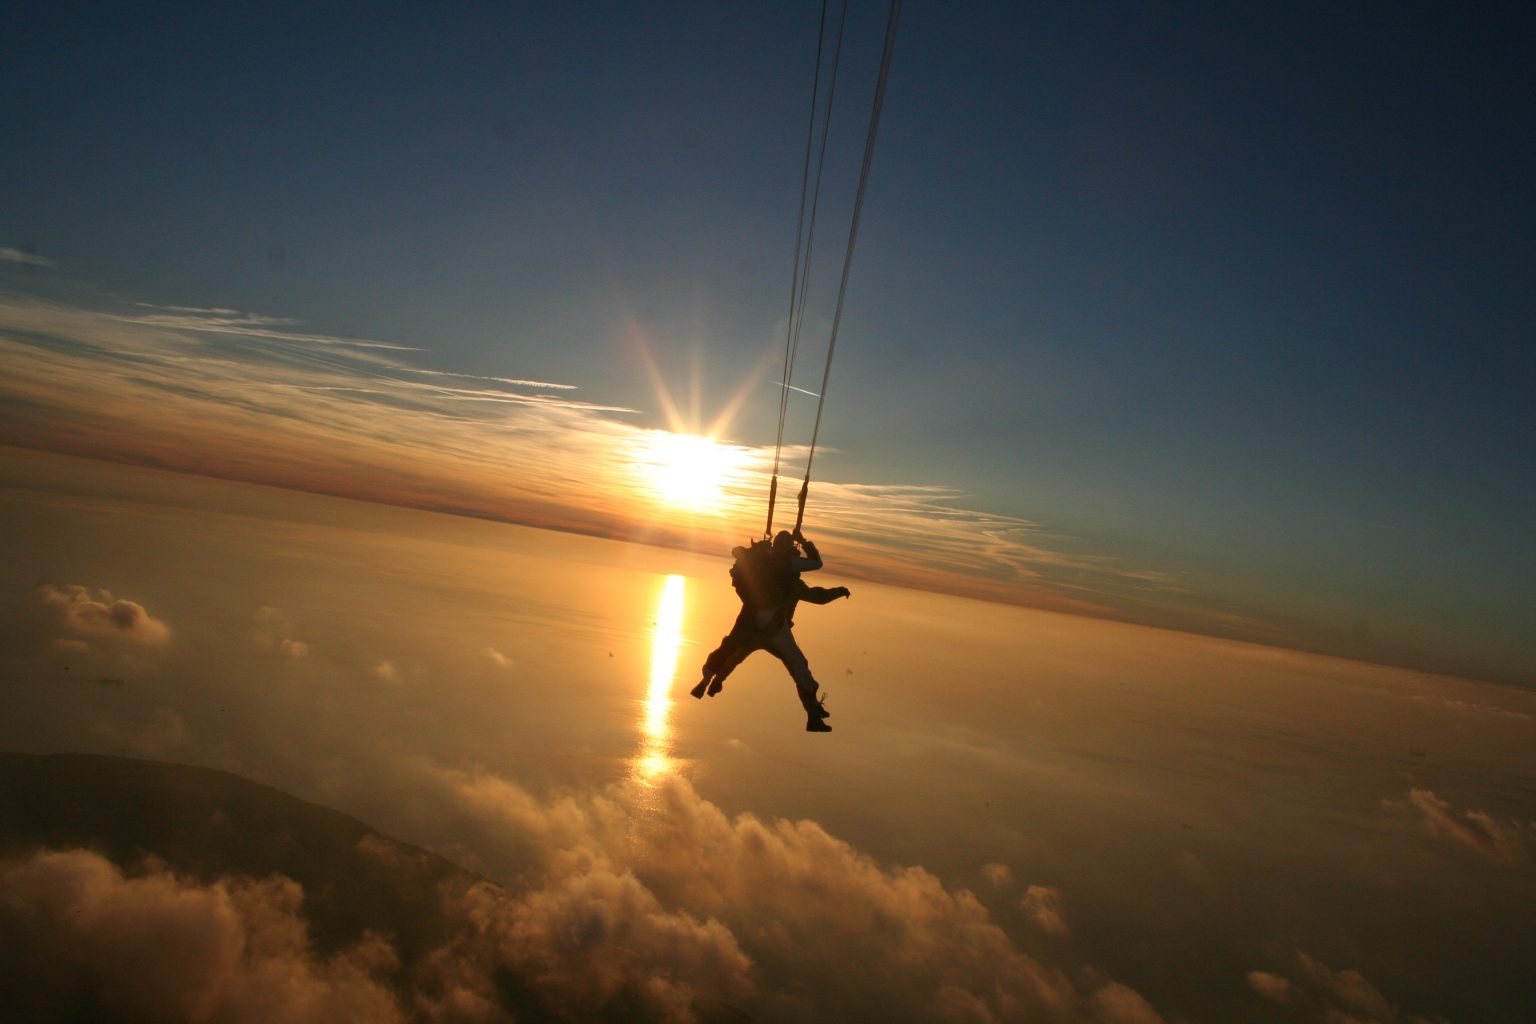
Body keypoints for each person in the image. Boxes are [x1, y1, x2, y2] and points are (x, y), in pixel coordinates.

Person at [691, 529, 850, 731]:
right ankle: (813, 716)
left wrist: (756, 549)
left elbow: (735, 551)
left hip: (750, 622)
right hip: (775, 629)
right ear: (790, 548)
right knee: (799, 667)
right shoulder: (790, 570)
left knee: (731, 651)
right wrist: (805, 542)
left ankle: (709, 682)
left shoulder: (759, 560)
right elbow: (817, 581)